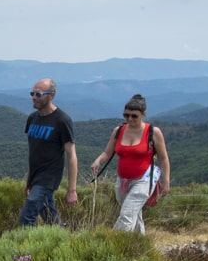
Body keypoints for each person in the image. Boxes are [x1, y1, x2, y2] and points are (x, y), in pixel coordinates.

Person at [90, 94, 171, 233]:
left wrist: (166, 181)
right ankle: (139, 243)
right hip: (122, 180)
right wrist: (98, 160)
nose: (129, 119)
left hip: (144, 180)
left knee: (127, 214)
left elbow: (164, 159)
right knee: (133, 213)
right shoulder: (119, 131)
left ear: (143, 114)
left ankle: (112, 243)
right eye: (126, 115)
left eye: (134, 116)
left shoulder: (153, 132)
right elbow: (107, 152)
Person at [21, 78, 78, 226]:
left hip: (48, 178)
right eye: (32, 93)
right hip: (36, 177)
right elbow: (33, 152)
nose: (34, 97)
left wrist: (72, 189)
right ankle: (64, 240)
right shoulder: (32, 118)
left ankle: (26, 250)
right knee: (50, 217)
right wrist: (29, 179)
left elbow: (71, 155)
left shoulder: (62, 120)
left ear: (51, 95)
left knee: (26, 218)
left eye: (38, 94)